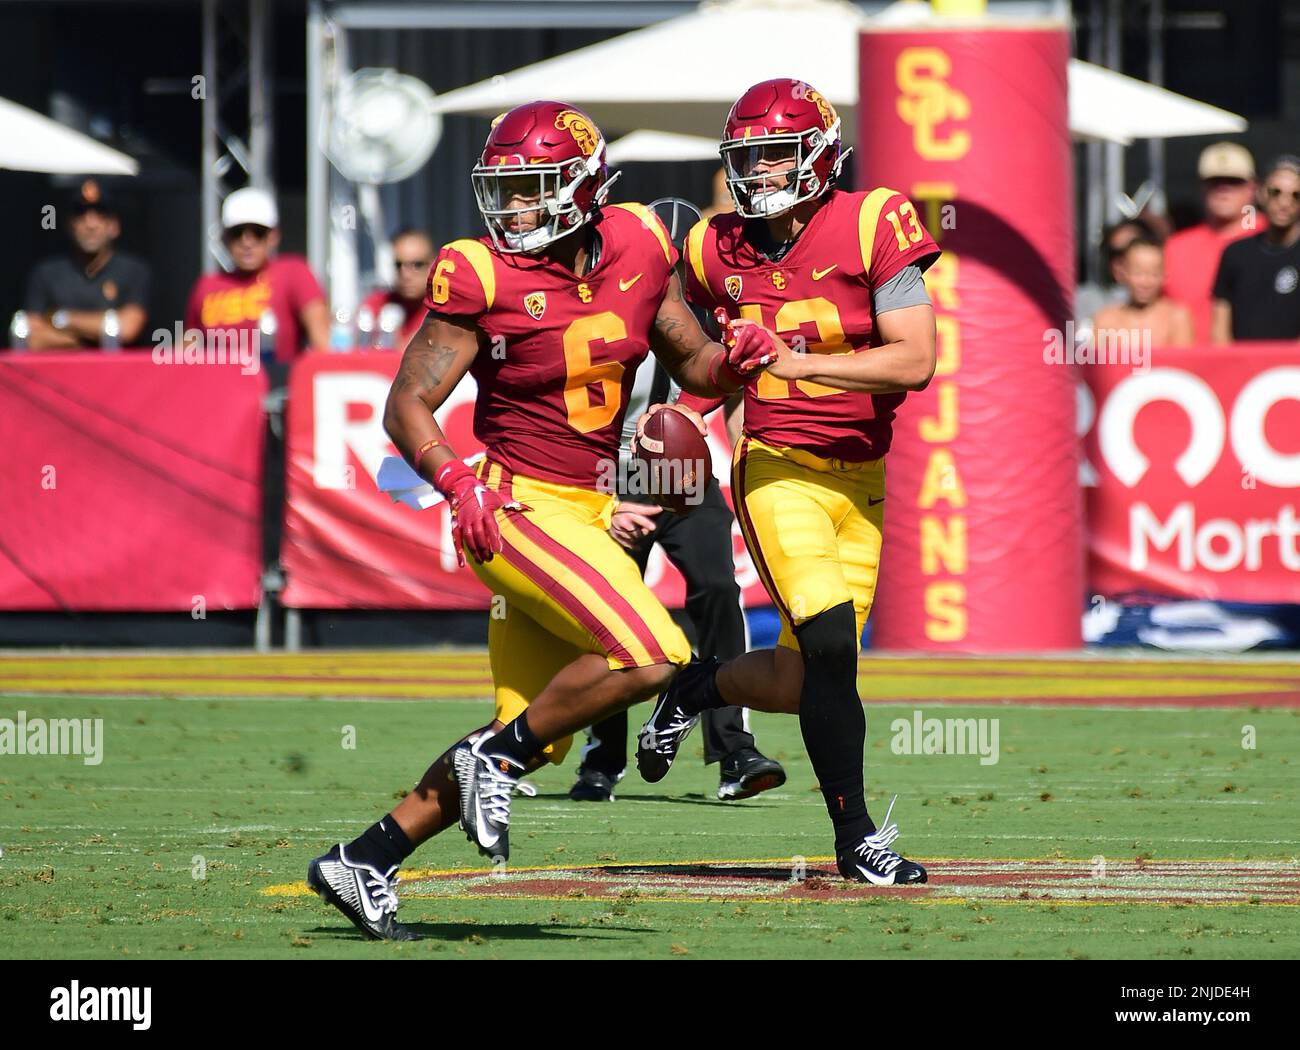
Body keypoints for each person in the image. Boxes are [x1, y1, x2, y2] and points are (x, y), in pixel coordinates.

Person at [305, 101, 777, 940]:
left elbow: (688, 360)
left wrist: (731, 362)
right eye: (506, 190)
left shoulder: (639, 243)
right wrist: (455, 481)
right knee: (656, 652)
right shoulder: (478, 272)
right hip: (510, 503)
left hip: (592, 508)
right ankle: (492, 761)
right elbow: (407, 401)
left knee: (541, 729)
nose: (513, 210)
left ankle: (365, 858)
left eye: (532, 190)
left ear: (585, 188)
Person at [633, 78, 937, 887]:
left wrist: (795, 361)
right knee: (834, 650)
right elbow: (670, 332)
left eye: (776, 154)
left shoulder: (874, 219)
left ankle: (691, 688)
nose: (760, 173)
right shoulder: (708, 246)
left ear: (821, 154)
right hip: (774, 468)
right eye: (749, 158)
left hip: (860, 479)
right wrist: (663, 428)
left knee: (806, 675)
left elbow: (916, 359)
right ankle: (858, 838)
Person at [568, 360, 785, 803]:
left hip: (685, 472)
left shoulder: (703, 304)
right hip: (610, 473)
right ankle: (602, 757)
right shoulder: (608, 305)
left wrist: (755, 474)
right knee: (606, 606)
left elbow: (734, 387)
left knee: (720, 588)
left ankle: (734, 751)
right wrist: (598, 501)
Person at [183, 187, 330, 361]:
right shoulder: (207, 286)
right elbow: (185, 355)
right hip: (221, 384)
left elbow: (322, 342)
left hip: (277, 384)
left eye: (257, 233)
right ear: (225, 238)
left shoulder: (293, 272)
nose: (247, 242)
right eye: (238, 233)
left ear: (273, 236)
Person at [24, 179, 150, 349]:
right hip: (60, 371)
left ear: (114, 226)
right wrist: (92, 339)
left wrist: (60, 318)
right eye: (81, 214)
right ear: (70, 224)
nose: (90, 224)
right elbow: (31, 338)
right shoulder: (46, 273)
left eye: (101, 215)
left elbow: (127, 329)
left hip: (118, 373)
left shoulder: (133, 270)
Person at [1164, 143, 1264, 343]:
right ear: (1201, 187)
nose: (1223, 188)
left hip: (1259, 366)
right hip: (1188, 367)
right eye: (1215, 181)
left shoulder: (1274, 240)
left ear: (1253, 187)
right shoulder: (1175, 247)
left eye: (1234, 181)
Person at [1212, 155, 1300, 342]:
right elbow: (1220, 329)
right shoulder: (1235, 254)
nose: (1285, 203)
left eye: (1295, 195)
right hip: (1242, 367)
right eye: (1276, 192)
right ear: (1261, 193)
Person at [1093, 237, 1193, 348]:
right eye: (1138, 273)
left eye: (1153, 274)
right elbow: (1098, 362)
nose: (1145, 282)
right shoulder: (1106, 320)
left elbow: (1183, 362)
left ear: (1165, 276)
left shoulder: (1176, 318)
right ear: (1123, 274)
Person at [360, 228, 434, 347]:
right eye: (398, 265)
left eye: (417, 265)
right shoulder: (377, 304)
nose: (406, 274)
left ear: (433, 265)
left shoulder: (443, 313)